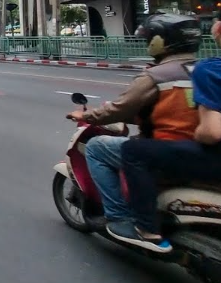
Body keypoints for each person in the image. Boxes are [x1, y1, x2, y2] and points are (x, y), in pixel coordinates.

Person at [66, 13, 201, 247]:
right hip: (204, 151)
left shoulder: (157, 75)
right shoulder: (207, 70)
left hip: (166, 149)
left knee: (97, 148)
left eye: (150, 38)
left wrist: (86, 115)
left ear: (161, 41)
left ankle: (120, 217)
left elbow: (120, 108)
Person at [117, 18, 220, 253]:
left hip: (209, 156)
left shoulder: (208, 69)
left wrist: (199, 132)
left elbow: (212, 132)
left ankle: (146, 229)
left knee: (132, 151)